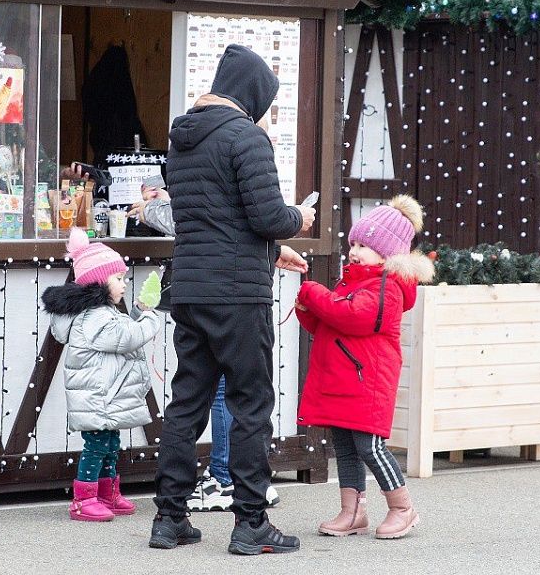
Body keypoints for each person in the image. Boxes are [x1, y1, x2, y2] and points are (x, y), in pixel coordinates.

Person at [149, 44, 315, 556]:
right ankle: (250, 524)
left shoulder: (182, 142)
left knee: (187, 403)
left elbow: (219, 218)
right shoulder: (247, 138)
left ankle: (168, 519)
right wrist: (298, 220)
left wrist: (272, 248)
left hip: (192, 289)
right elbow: (266, 217)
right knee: (250, 404)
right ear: (251, 96)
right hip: (239, 295)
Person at [128, 185, 284, 511]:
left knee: (194, 398)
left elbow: (190, 219)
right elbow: (253, 219)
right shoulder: (239, 153)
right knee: (242, 395)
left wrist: (148, 209)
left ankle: (215, 485)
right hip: (240, 291)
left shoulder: (195, 154)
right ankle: (243, 484)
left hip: (201, 290)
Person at [295, 195, 434, 540]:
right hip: (346, 378)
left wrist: (313, 293)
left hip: (368, 382)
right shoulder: (355, 281)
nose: (354, 251)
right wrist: (308, 311)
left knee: (369, 447)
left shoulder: (387, 285)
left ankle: (402, 508)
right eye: (353, 243)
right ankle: (352, 511)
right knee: (343, 446)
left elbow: (355, 318)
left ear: (387, 253)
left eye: (365, 245)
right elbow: (332, 325)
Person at [41, 228, 165, 522]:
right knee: (97, 445)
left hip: (105, 395)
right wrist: (149, 316)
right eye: (119, 278)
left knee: (110, 443)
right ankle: (84, 500)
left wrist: (135, 311)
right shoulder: (95, 317)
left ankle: (107, 493)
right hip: (98, 396)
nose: (124, 283)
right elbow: (127, 337)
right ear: (99, 281)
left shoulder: (100, 312)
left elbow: (120, 331)